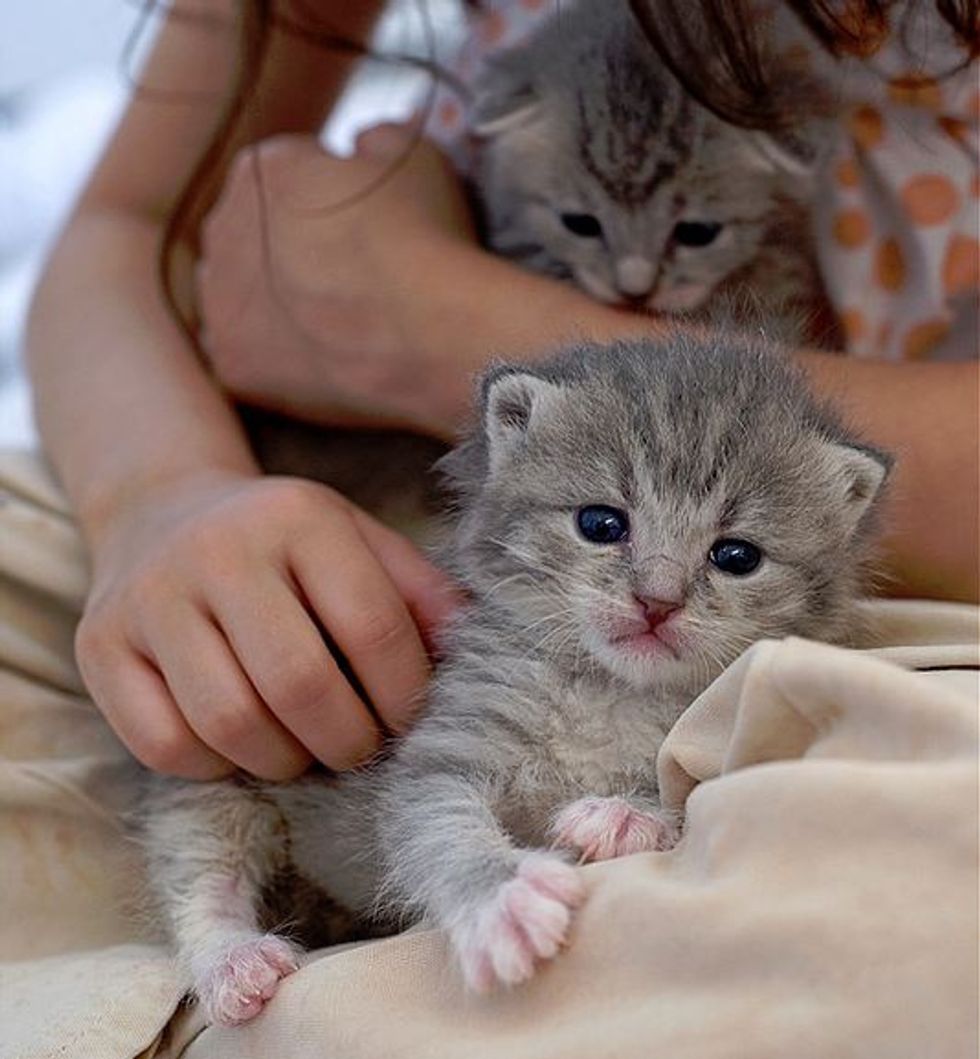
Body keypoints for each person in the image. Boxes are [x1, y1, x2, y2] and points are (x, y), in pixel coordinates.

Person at [22, 0, 979, 794]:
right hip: (348, 520)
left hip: (841, 592)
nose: (637, 272)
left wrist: (429, 322)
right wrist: (161, 494)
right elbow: (126, 230)